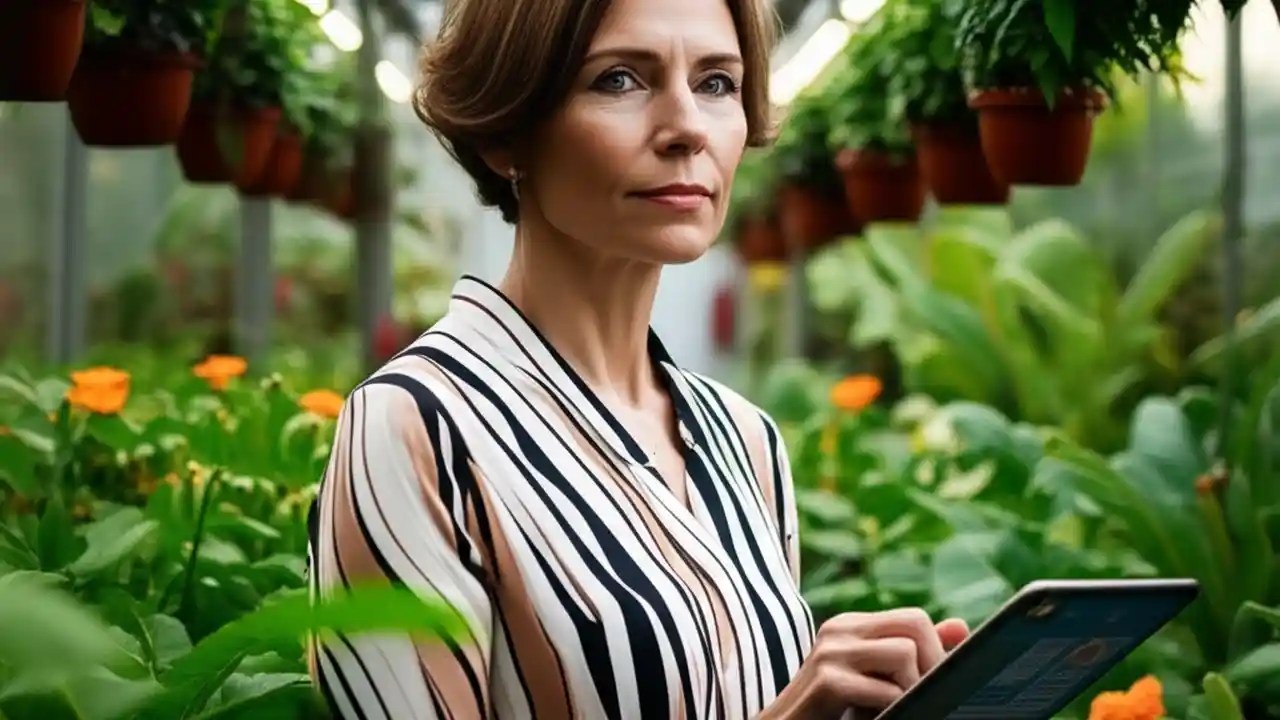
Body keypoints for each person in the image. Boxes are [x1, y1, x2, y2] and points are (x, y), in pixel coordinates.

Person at [305, 0, 969, 717]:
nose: (687, 127)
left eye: (717, 82)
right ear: (507, 134)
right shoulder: (415, 429)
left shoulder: (743, 440)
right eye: (620, 79)